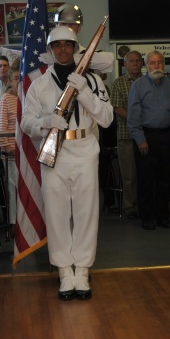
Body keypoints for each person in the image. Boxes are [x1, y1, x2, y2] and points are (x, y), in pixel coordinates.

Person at [20, 26, 113, 300]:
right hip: (55, 153)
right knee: (57, 213)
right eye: (57, 45)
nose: (63, 50)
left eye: (68, 45)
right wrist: (45, 122)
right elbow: (27, 122)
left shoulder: (93, 80)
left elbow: (106, 118)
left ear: (76, 49)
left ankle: (82, 270)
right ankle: (64, 271)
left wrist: (83, 91)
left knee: (86, 213)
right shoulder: (38, 84)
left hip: (85, 149)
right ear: (50, 50)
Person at [127, 51, 170, 230]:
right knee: (146, 180)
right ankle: (147, 217)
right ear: (146, 65)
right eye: (152, 63)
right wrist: (141, 140)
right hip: (145, 137)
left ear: (164, 65)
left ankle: (163, 216)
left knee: (165, 179)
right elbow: (133, 118)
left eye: (159, 63)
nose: (156, 66)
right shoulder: (138, 86)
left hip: (166, 137)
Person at [109, 50, 143, 220]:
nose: (135, 63)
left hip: (147, 136)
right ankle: (130, 207)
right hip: (126, 135)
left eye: (138, 61)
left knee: (146, 174)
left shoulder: (149, 82)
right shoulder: (118, 83)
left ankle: (145, 205)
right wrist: (138, 119)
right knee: (129, 175)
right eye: (131, 61)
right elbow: (116, 107)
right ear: (125, 65)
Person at [0, 58, 20, 227]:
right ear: (11, 81)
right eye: (16, 78)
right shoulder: (6, 98)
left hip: (29, 151)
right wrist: (7, 147)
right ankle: (13, 222)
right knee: (13, 188)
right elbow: (1, 128)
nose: (19, 81)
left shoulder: (30, 97)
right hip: (12, 151)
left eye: (22, 77)